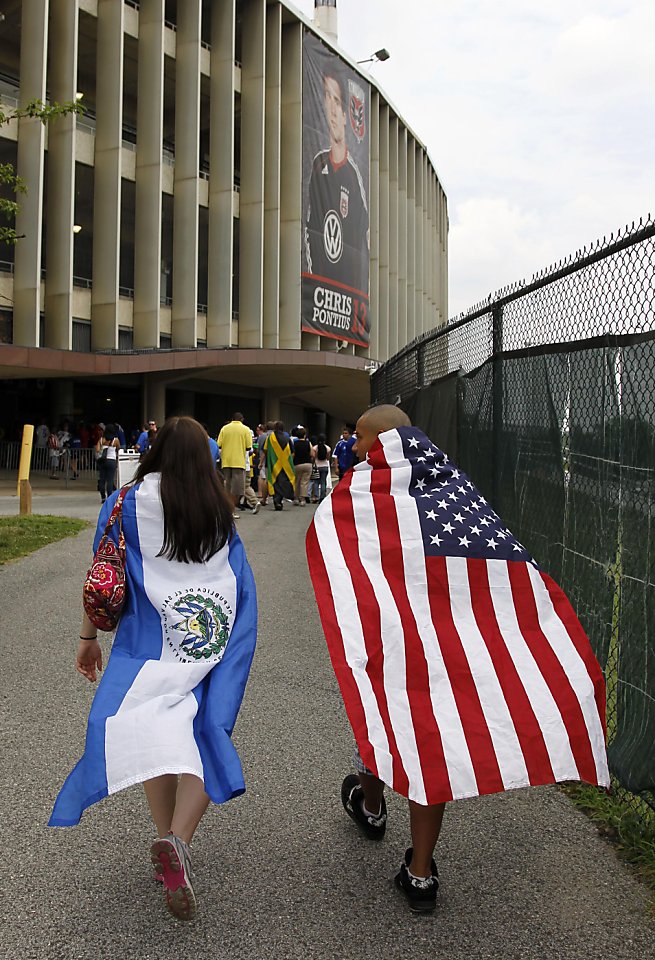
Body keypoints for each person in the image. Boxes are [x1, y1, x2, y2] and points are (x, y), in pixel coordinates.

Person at [306, 404, 609, 914]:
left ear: (381, 440)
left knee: (389, 716)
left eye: (360, 438)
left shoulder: (367, 490)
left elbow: (338, 541)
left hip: (403, 637)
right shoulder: (457, 489)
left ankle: (373, 805)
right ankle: (420, 873)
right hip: (453, 643)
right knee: (433, 742)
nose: (354, 448)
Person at [49, 416, 257, 923]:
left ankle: (167, 840)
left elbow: (103, 573)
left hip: (147, 645)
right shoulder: (219, 511)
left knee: (151, 730)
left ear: (155, 449)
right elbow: (240, 582)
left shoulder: (124, 503)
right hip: (211, 642)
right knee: (209, 732)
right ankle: (177, 841)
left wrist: (87, 638)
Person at [304, 68, 369, 295]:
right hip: (322, 295)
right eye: (327, 97)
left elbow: (364, 239)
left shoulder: (354, 176)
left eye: (337, 101)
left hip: (346, 300)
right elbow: (309, 229)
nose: (331, 108)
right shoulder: (318, 164)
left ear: (345, 116)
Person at [217, 413, 254, 520]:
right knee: (237, 489)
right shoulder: (246, 429)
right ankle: (231, 511)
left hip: (226, 461)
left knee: (227, 487)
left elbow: (219, 444)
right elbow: (248, 447)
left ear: (232, 419)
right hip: (239, 462)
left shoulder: (224, 428)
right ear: (242, 419)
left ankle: (226, 510)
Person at [263, 420, 295, 511]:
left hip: (274, 464)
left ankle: (276, 501)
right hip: (286, 465)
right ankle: (280, 500)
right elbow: (292, 451)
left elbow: (265, 449)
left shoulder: (270, 438)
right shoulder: (287, 437)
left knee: (275, 482)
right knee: (283, 482)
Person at [96, 423, 120, 503]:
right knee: (110, 480)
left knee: (102, 479)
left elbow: (97, 450)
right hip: (111, 460)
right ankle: (109, 498)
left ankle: (103, 497)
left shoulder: (101, 440)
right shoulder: (115, 440)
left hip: (103, 461)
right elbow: (118, 449)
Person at [292, 427, 313, 505]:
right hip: (307, 464)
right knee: (304, 482)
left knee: (297, 481)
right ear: (304, 435)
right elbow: (312, 454)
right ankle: (303, 499)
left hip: (297, 464)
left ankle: (296, 498)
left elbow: (293, 455)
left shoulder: (295, 443)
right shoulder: (308, 443)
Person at [311, 434, 331, 502]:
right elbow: (328, 458)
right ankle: (322, 496)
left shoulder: (315, 448)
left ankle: (316, 496)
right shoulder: (327, 448)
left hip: (317, 466)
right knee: (323, 482)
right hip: (325, 466)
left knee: (316, 482)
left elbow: (313, 457)